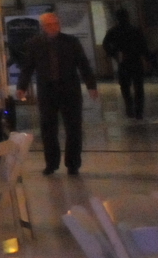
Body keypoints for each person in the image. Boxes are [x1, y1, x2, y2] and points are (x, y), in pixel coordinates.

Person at [17, 11, 98, 175]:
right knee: (48, 129)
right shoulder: (34, 43)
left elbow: (83, 64)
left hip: (70, 90)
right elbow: (28, 67)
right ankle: (51, 163)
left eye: (55, 24)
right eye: (49, 25)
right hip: (47, 92)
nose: (53, 27)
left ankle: (73, 164)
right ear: (43, 27)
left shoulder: (71, 42)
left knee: (73, 128)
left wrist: (91, 85)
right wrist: (21, 86)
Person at [101, 6, 151, 121]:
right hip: (136, 61)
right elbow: (143, 46)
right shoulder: (135, 30)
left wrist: (113, 54)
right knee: (138, 87)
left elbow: (105, 44)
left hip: (123, 61)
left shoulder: (114, 31)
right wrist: (147, 59)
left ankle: (130, 107)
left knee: (125, 87)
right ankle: (138, 111)